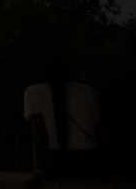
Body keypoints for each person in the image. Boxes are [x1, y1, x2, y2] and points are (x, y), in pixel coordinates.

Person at [22, 54, 103, 182]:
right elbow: (97, 127)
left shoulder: (34, 93)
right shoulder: (87, 92)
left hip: (55, 160)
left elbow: (38, 134)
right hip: (87, 159)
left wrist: (38, 170)